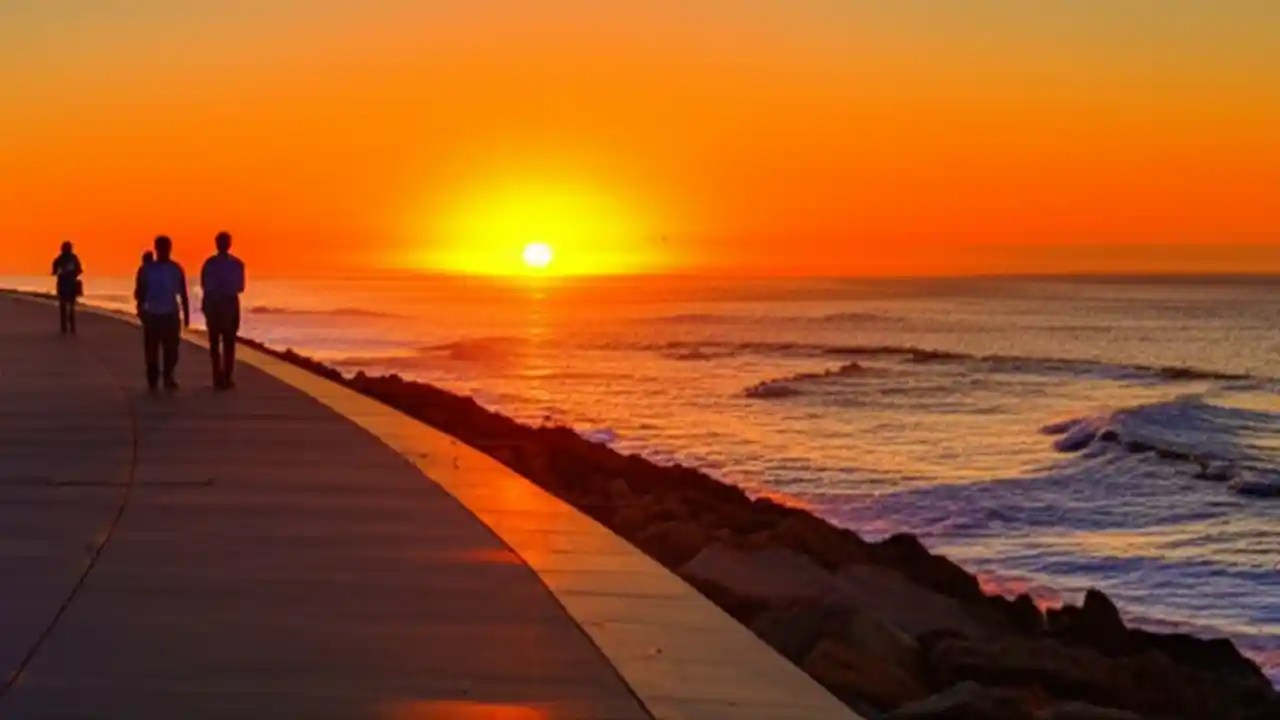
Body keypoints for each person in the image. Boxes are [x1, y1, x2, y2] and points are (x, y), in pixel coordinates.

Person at [135, 236, 190, 391]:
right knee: (152, 348)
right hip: (152, 313)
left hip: (170, 313)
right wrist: (140, 309)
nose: (164, 250)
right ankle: (153, 377)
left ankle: (168, 376)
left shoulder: (175, 269)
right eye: (161, 247)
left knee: (171, 348)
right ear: (157, 248)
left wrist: (186, 315)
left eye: (166, 247)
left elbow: (183, 292)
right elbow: (140, 291)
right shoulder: (147, 269)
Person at [200, 231, 246, 390]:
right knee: (227, 342)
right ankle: (224, 377)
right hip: (225, 302)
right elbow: (240, 287)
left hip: (218, 302)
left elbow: (205, 285)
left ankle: (221, 376)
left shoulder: (210, 263)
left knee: (219, 343)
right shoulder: (236, 264)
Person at [50, 241, 83, 334]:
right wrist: (73, 273)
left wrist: (60, 273)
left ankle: (64, 326)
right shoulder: (73, 258)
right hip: (71, 283)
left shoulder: (59, 259)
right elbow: (79, 270)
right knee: (71, 305)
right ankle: (71, 326)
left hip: (63, 284)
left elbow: (54, 271)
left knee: (63, 305)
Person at [133, 250, 154, 317]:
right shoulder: (143, 269)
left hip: (146, 294)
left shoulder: (143, 269)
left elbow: (138, 282)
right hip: (145, 294)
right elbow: (138, 282)